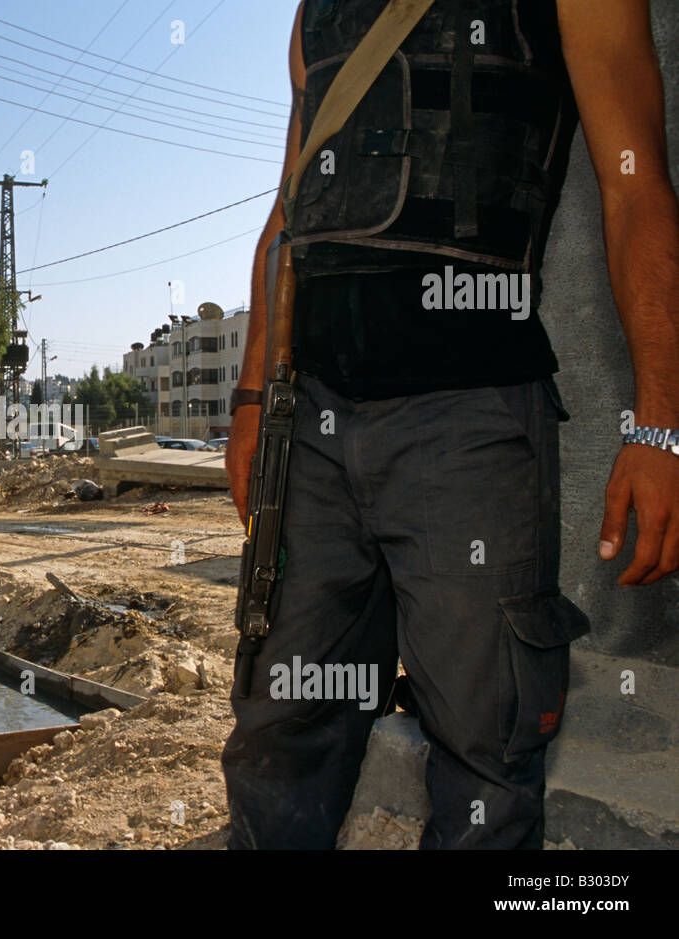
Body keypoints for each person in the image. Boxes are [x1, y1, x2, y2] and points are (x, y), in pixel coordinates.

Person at [222, 0, 679, 849]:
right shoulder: (317, 13)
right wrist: (252, 400)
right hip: (310, 421)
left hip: (470, 420)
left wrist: (662, 427)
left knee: (485, 756)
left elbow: (636, 182)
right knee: (277, 733)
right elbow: (289, 215)